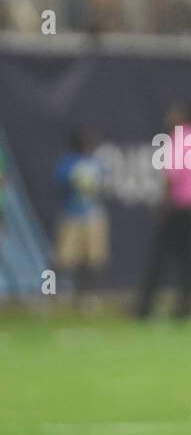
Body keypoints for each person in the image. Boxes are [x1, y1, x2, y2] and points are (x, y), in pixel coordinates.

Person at [135, 102, 191, 320]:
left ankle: (144, 307)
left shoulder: (180, 138)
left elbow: (172, 175)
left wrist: (163, 204)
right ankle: (185, 308)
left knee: (160, 258)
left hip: (178, 207)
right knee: (187, 260)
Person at [53, 128, 110, 307]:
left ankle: (88, 296)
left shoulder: (98, 163)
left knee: (94, 258)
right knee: (64, 257)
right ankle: (56, 293)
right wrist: (76, 180)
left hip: (93, 216)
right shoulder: (68, 163)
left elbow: (104, 186)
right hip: (72, 215)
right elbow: (60, 184)